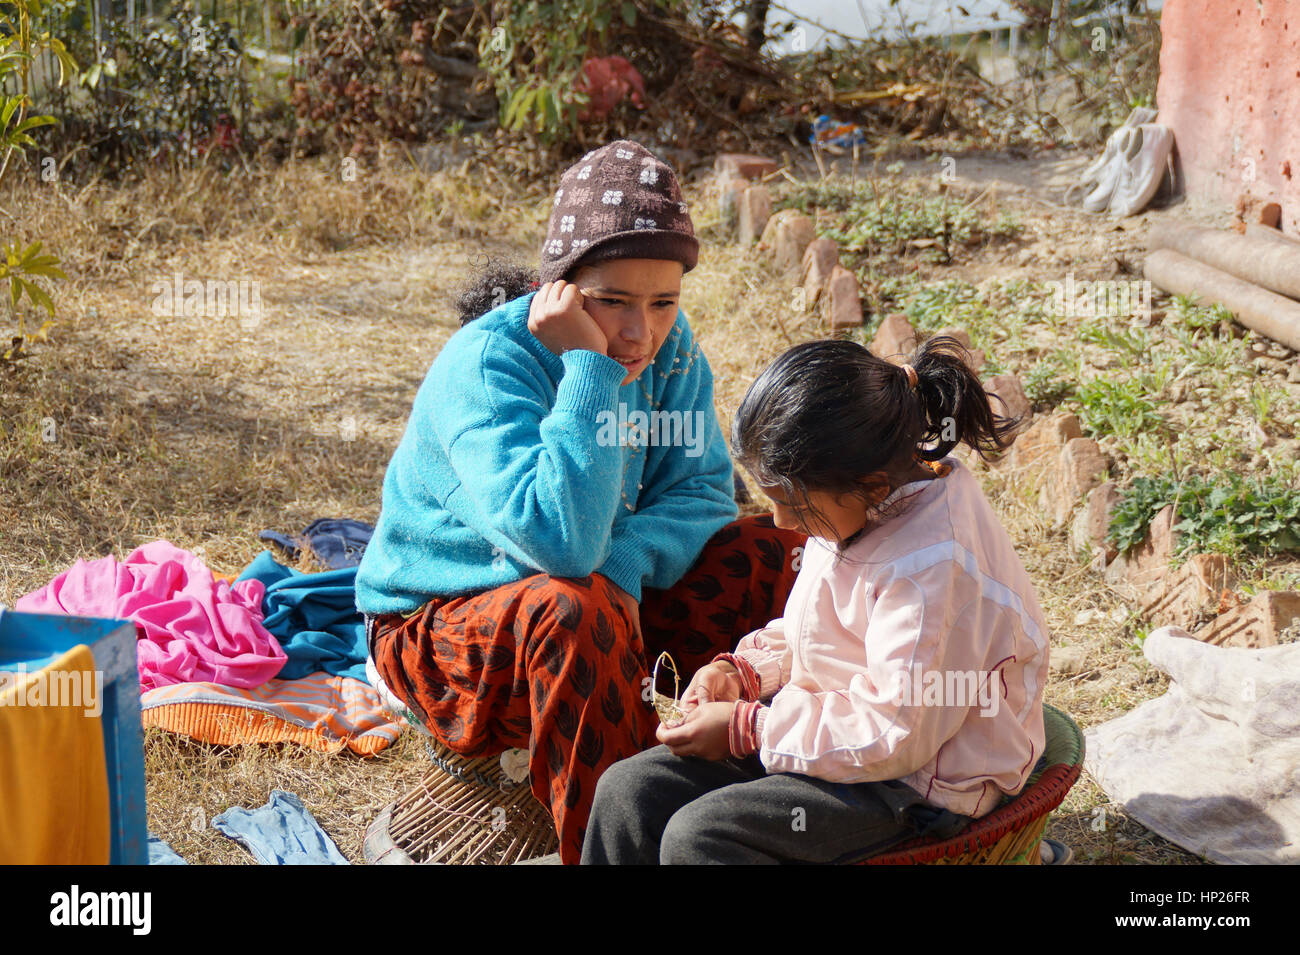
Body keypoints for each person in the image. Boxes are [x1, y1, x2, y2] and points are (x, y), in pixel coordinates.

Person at [355, 139, 806, 865]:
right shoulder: (488, 365)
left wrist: (627, 562)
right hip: (444, 630)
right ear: (561, 291)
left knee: (782, 556)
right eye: (613, 302)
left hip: (603, 589)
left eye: (664, 302)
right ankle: (621, 849)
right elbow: (559, 544)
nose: (640, 331)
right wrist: (587, 371)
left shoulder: (673, 350)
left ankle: (794, 790)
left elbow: (702, 490)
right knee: (574, 606)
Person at [581, 335, 1052, 865]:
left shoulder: (936, 571)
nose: (781, 522)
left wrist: (747, 728)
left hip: (919, 781)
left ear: (870, 485)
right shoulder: (855, 507)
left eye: (791, 503)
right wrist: (743, 674)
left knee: (702, 838)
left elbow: (894, 735)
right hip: (833, 727)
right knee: (628, 791)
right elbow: (816, 629)